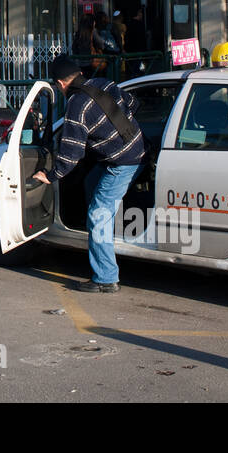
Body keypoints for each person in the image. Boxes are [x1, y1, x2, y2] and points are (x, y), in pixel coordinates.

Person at [33, 52, 146, 293]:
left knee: (98, 215)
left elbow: (70, 154)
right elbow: (133, 104)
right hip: (138, 148)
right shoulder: (104, 82)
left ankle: (105, 279)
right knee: (90, 182)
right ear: (79, 73)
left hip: (122, 164)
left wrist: (50, 176)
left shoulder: (76, 106)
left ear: (60, 84)